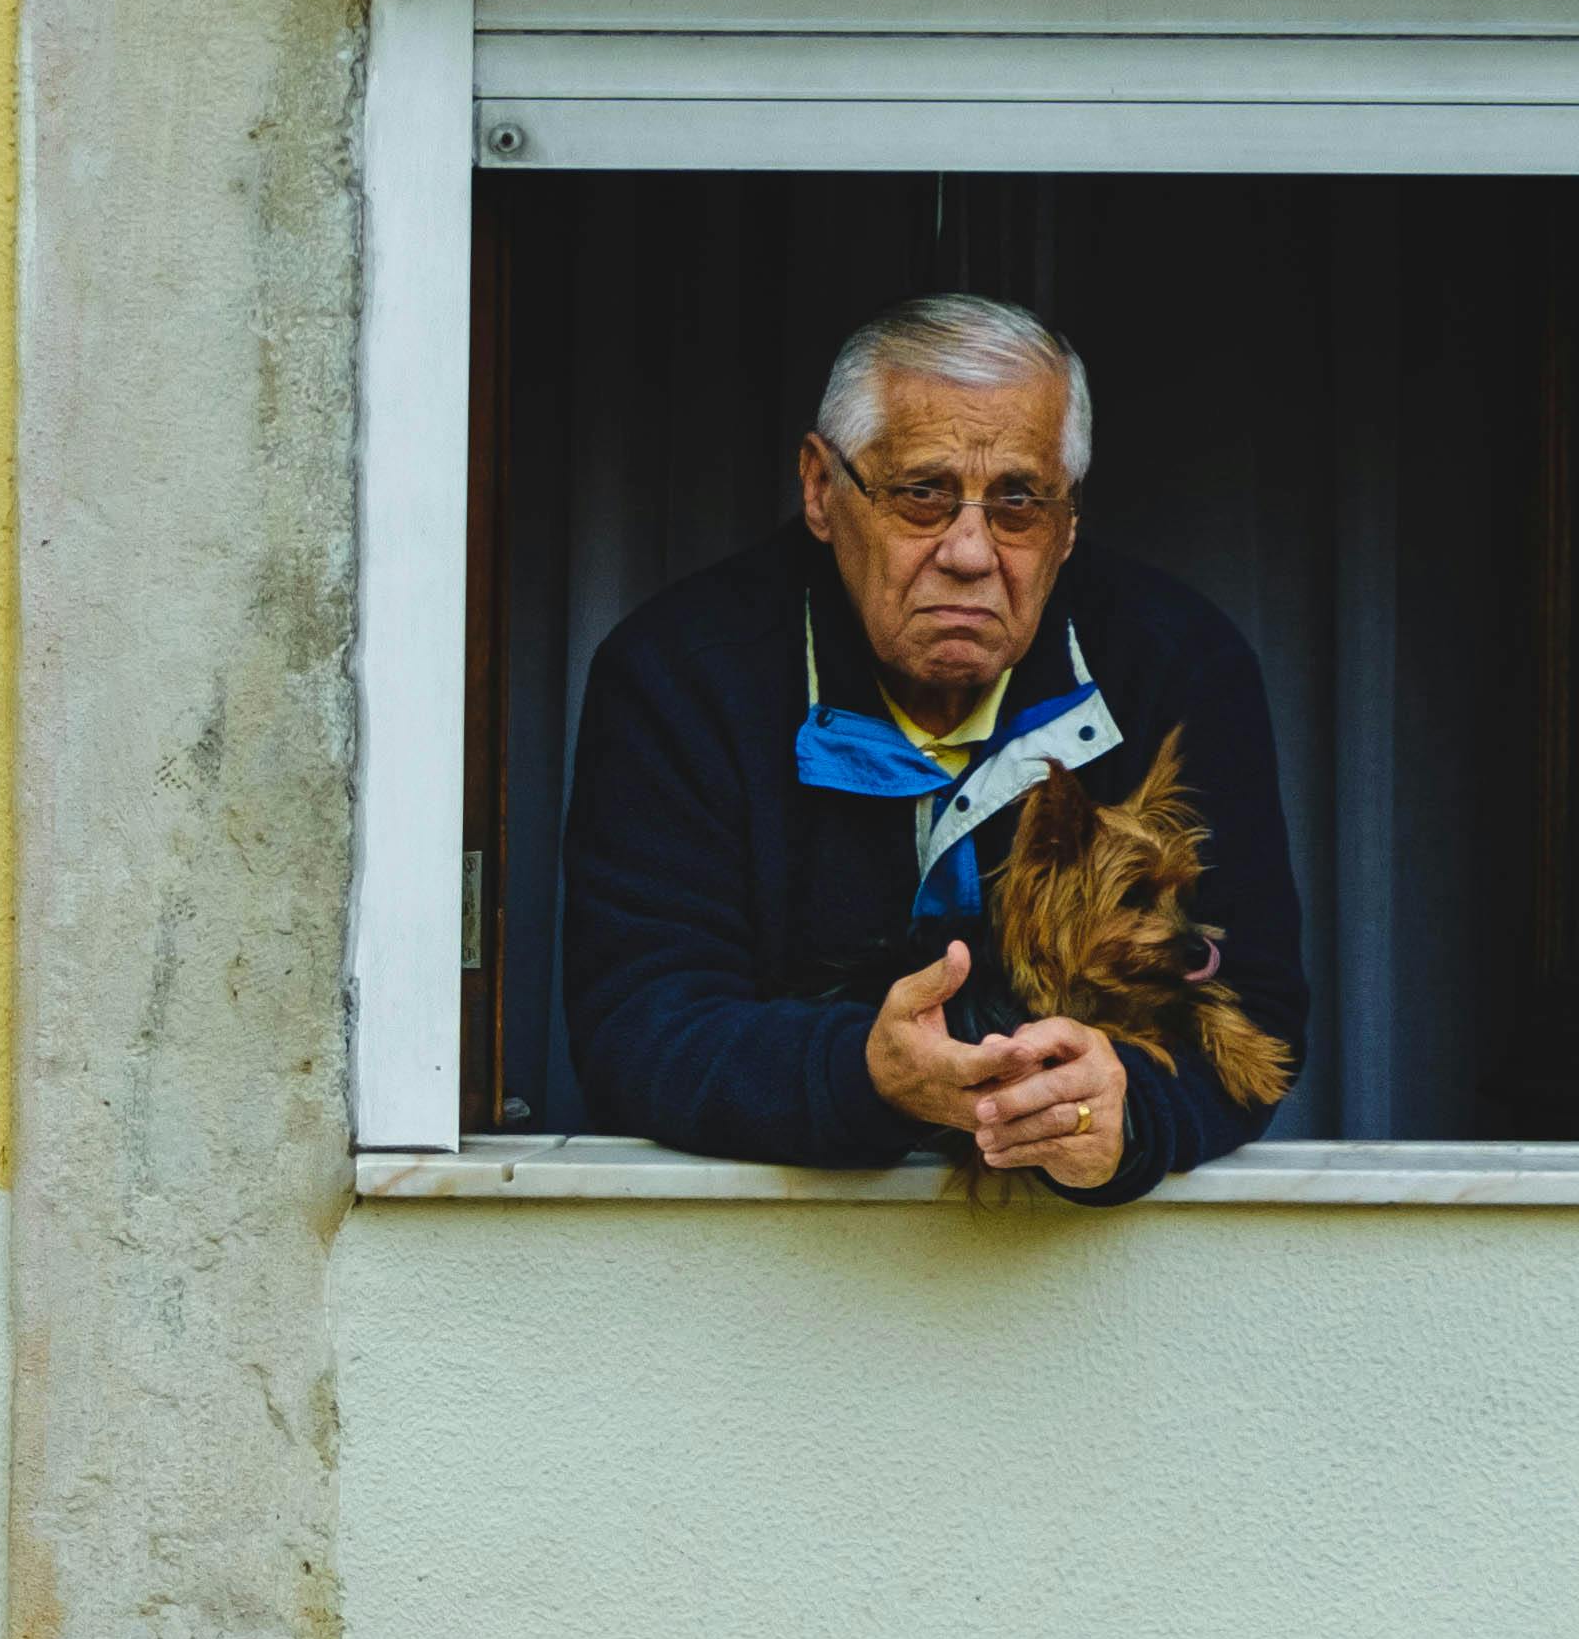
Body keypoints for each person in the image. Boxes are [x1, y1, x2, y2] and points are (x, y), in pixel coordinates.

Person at [560, 292, 1308, 1197]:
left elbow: (1251, 1017)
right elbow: (641, 1027)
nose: (968, 550)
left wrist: (1127, 1114)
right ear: (821, 490)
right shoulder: (681, 672)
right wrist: (864, 1073)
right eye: (922, 494)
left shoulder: (1176, 665)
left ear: (1069, 523)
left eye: (1019, 503)